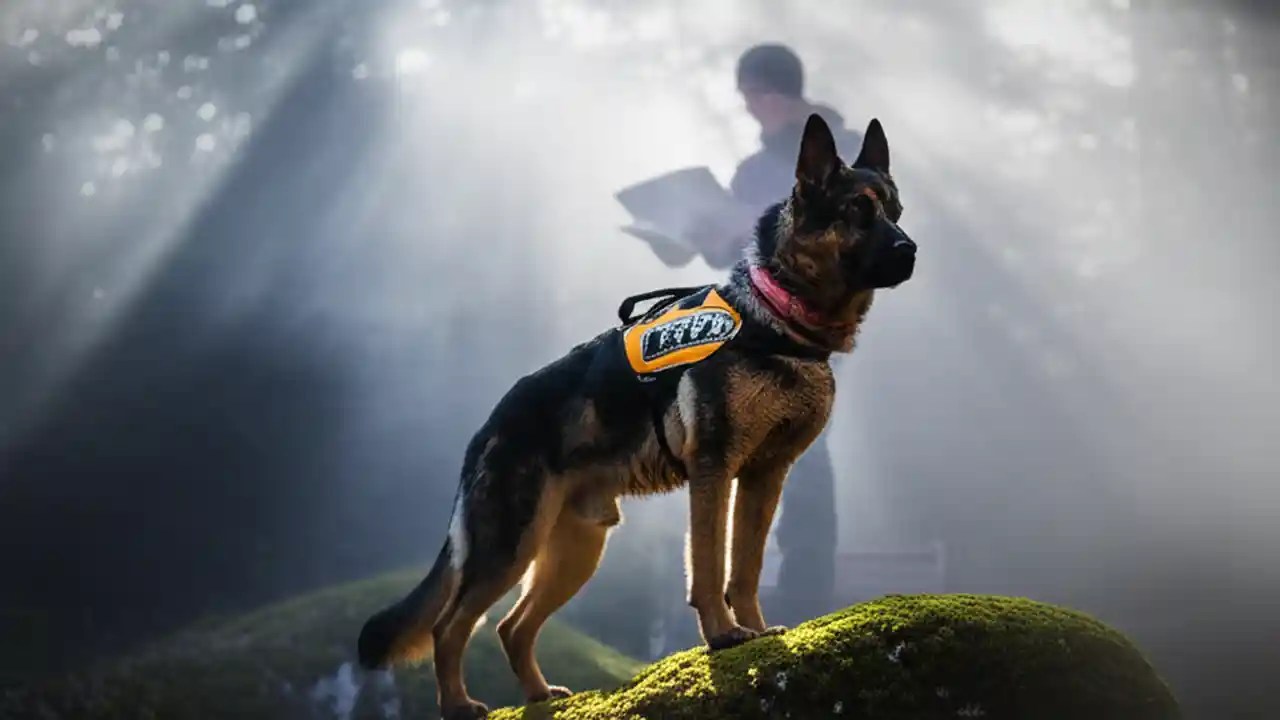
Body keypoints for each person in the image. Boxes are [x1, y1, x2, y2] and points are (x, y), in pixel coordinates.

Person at [646, 43, 866, 626]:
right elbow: (739, 249)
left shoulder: (838, 150)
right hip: (753, 321)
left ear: (773, 92)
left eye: (751, 97)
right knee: (748, 446)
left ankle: (807, 595)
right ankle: (747, 592)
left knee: (803, 451)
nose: (748, 110)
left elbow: (849, 230)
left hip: (815, 321)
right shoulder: (750, 169)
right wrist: (684, 235)